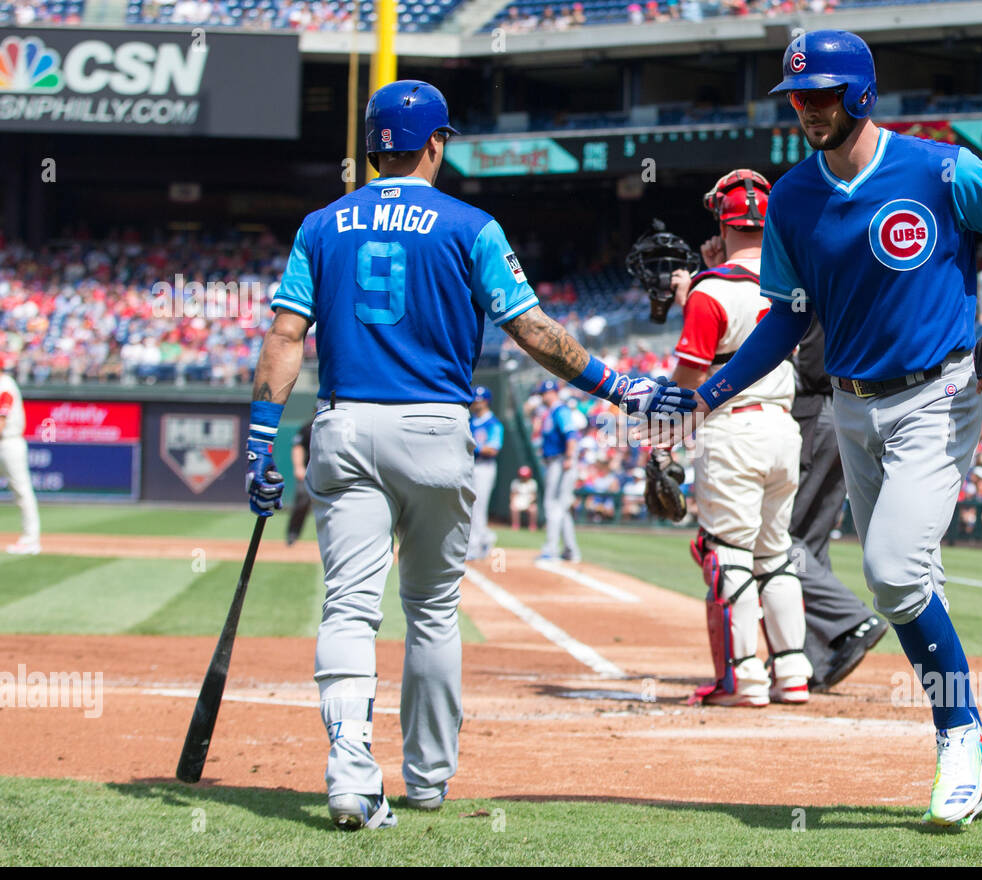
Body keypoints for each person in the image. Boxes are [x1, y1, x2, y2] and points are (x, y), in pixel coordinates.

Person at [246, 80, 694, 831]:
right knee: (430, 610)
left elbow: (285, 337)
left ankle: (351, 775)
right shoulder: (471, 224)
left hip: (345, 424)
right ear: (434, 143)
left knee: (350, 607)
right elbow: (533, 332)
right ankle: (426, 780)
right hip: (433, 428)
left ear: (371, 146)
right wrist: (621, 388)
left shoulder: (320, 225)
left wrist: (262, 439)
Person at [685, 31, 982, 826]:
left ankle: (961, 739)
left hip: (940, 393)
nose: (807, 107)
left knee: (890, 571)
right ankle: (977, 748)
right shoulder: (790, 200)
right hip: (850, 406)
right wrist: (710, 390)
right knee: (918, 580)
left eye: (822, 92)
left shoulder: (939, 169)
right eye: (798, 95)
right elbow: (786, 322)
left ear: (860, 93)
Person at [666, 169, 813, 706]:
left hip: (732, 428)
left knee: (728, 553)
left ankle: (744, 677)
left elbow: (689, 375)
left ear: (719, 220)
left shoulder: (708, 291)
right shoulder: (789, 279)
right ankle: (793, 673)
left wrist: (693, 293)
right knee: (775, 555)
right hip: (783, 427)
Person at [787, 317, 889, 690]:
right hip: (849, 412)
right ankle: (818, 659)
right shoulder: (851, 274)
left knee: (776, 540)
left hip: (812, 414)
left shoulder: (804, 273)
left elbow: (807, 361)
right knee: (809, 543)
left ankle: (852, 620)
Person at [536, 380, 582, 562]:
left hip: (562, 460)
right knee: (561, 507)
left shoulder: (560, 410)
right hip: (556, 460)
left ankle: (551, 549)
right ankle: (570, 549)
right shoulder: (552, 412)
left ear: (552, 393)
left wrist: (570, 457)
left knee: (553, 505)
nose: (542, 397)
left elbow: (571, 435)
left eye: (544, 393)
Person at [0, 361, 41, 555]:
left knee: (22, 491)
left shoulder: (5, 385)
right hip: (6, 442)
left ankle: (30, 540)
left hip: (9, 443)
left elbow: (1, 421)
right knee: (22, 491)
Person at [467, 385, 503, 560]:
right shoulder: (471, 421)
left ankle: (476, 544)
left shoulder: (493, 423)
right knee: (470, 506)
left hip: (484, 467)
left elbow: (493, 449)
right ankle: (485, 537)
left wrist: (474, 447)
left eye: (478, 400)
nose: (475, 403)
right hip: (471, 466)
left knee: (478, 506)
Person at [285, 413, 315, 546]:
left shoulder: (339, 426)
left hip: (331, 473)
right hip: (309, 472)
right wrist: (298, 467)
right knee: (302, 501)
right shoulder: (308, 428)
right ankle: (293, 534)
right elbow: (298, 447)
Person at [510, 465, 539, 531]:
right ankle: (515, 525)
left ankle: (532, 526)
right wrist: (514, 502)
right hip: (518, 502)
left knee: (533, 508)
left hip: (528, 503)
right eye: (522, 476)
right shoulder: (516, 482)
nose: (523, 477)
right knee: (513, 507)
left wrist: (530, 502)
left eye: (525, 476)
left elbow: (534, 495)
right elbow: (513, 495)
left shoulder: (532, 483)